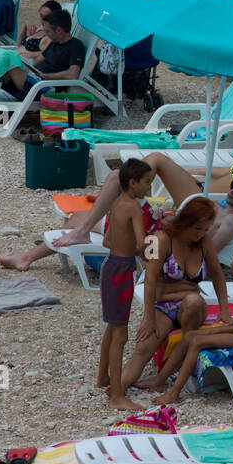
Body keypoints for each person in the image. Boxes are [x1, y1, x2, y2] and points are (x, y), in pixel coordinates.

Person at [0, 157, 233, 271]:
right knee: (76, 217)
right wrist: (169, 219)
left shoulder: (229, 221)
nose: (231, 191)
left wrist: (162, 252)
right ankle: (26, 258)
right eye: (232, 185)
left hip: (156, 246)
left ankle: (80, 235)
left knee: (114, 178)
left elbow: (203, 255)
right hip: (158, 231)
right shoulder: (217, 206)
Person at [137, 242, 233, 404]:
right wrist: (223, 327)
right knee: (189, 336)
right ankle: (159, 380)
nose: (232, 264)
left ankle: (174, 393)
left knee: (196, 341)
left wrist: (211, 331)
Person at [119, 197, 232, 390]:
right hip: (163, 305)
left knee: (193, 301)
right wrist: (148, 317)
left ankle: (161, 380)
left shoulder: (204, 242)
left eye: (206, 229)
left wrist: (224, 309)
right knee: (143, 348)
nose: (202, 234)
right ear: (185, 222)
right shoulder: (159, 239)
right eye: (197, 228)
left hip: (192, 305)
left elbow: (218, 275)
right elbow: (150, 278)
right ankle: (118, 388)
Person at [99, 158, 155, 411]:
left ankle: (103, 377)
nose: (149, 188)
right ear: (133, 183)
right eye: (147, 183)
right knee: (120, 334)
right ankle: (117, 397)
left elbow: (107, 241)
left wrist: (127, 246)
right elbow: (143, 243)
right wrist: (157, 241)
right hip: (122, 271)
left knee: (112, 327)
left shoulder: (114, 203)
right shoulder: (133, 206)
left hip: (109, 266)